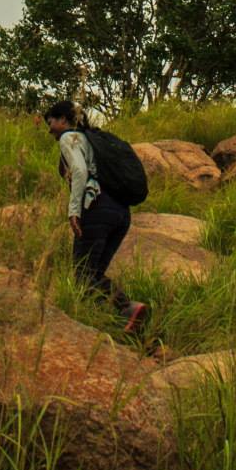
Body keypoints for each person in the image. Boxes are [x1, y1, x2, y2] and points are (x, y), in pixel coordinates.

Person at [44, 100, 148, 333]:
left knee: (83, 274)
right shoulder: (95, 139)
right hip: (121, 214)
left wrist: (74, 211)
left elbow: (80, 170)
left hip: (96, 208)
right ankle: (128, 322)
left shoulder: (69, 138)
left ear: (62, 120)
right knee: (92, 274)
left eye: (50, 122)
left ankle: (128, 307)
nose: (49, 128)